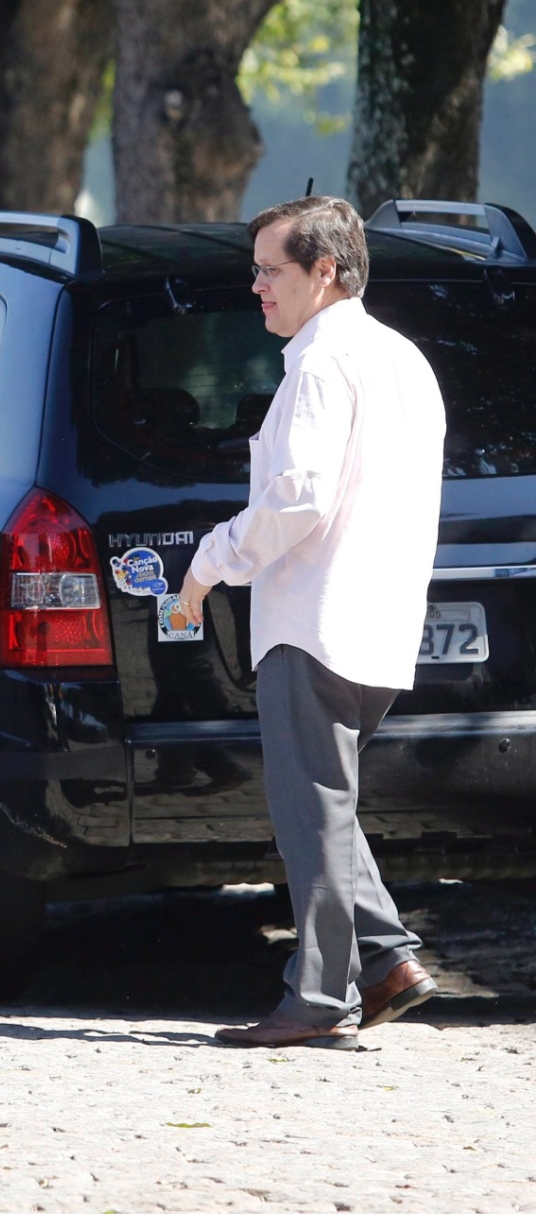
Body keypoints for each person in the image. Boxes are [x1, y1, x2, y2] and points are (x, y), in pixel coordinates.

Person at [180, 195, 445, 1050]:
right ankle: (389, 960)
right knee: (324, 805)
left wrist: (212, 557)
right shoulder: (403, 358)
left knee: (310, 809)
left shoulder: (321, 364)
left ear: (324, 272)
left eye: (270, 270)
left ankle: (321, 995)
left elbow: (299, 495)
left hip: (316, 614)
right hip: (379, 617)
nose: (256, 286)